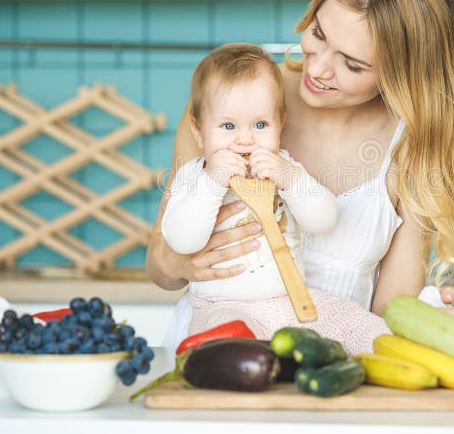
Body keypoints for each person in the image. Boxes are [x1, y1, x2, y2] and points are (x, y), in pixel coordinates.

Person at [147, 0, 454, 348]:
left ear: (403, 76)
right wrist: (183, 259)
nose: (319, 68)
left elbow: (389, 312)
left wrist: (424, 323)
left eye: (352, 64)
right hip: (220, 349)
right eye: (318, 34)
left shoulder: (414, 147)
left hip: (334, 370)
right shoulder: (234, 102)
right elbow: (160, 267)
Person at [161, 43, 390, 353]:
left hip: (292, 301)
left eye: (260, 125)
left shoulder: (283, 167)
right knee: (226, 349)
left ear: (280, 124)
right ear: (199, 131)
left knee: (364, 327)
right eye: (228, 126)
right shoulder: (193, 177)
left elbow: (324, 220)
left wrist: (292, 179)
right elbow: (182, 240)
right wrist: (212, 184)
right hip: (222, 307)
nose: (245, 139)